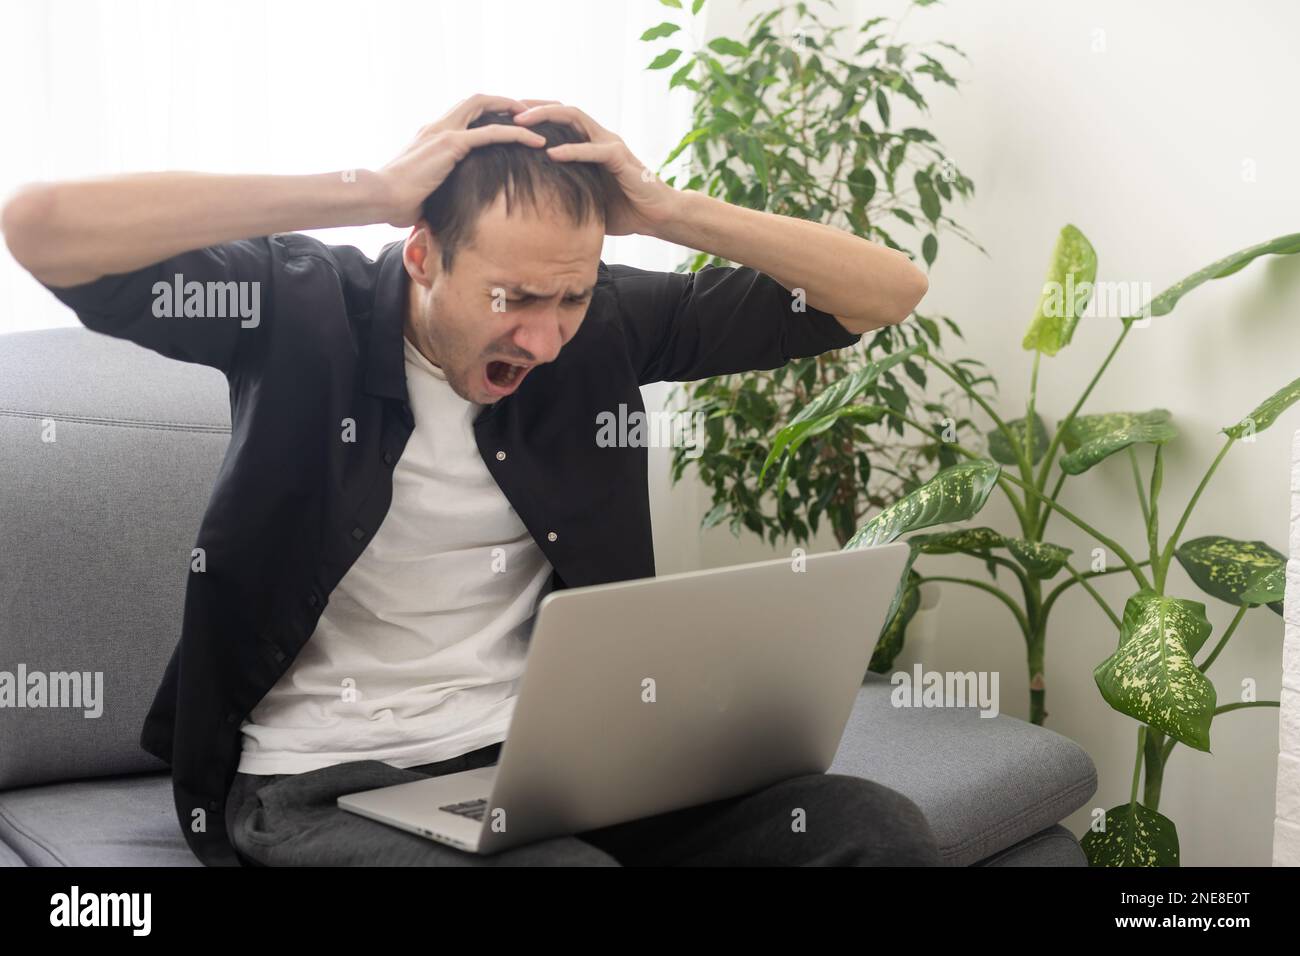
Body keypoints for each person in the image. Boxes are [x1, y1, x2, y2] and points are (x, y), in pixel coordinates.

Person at [2, 94, 938, 866]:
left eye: (569, 296)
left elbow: (884, 292)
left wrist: (660, 208)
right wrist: (369, 189)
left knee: (869, 832)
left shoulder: (605, 325)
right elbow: (41, 229)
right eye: (513, 299)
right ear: (421, 255)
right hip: (317, 778)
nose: (544, 336)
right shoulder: (293, 307)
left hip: (546, 764)